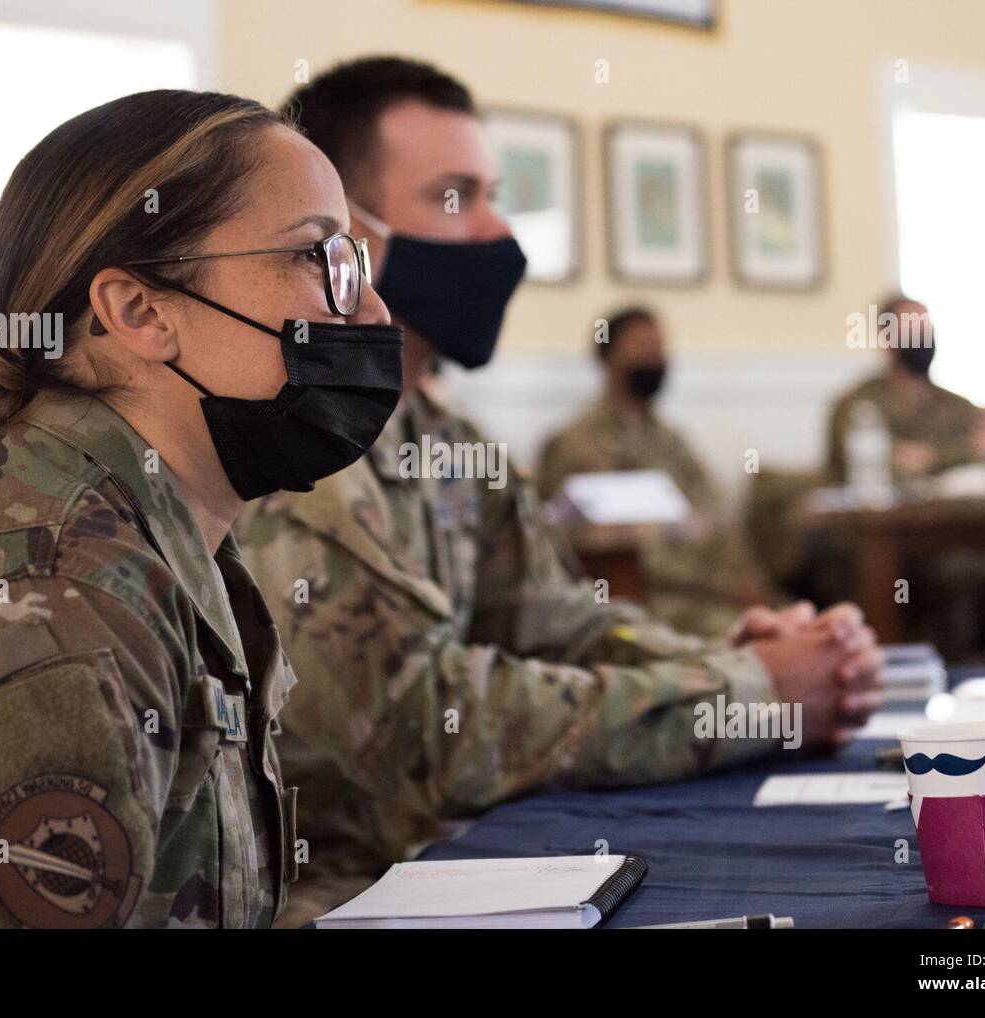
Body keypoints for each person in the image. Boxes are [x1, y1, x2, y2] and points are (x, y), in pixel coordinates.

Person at [236, 56, 884, 927]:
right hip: (345, 894)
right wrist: (745, 692)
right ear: (348, 233)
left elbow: (558, 621)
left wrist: (739, 651)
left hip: (476, 861)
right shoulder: (303, 445)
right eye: (458, 196)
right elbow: (429, 727)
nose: (499, 231)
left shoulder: (448, 439)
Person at [0, 89, 402, 928]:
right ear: (139, 311)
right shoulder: (41, 598)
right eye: (317, 258)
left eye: (356, 265)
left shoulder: (142, 534)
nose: (369, 311)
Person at [538, 306, 775, 637]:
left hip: (711, 591)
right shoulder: (576, 444)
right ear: (608, 357)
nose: (655, 357)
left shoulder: (671, 442)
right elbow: (581, 546)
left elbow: (714, 517)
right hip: (647, 600)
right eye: (642, 346)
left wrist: (746, 582)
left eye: (660, 348)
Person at [826, 295, 985, 483]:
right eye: (912, 329)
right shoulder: (859, 403)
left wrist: (931, 457)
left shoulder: (956, 406)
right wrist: (955, 453)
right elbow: (869, 462)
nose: (922, 338)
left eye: (926, 329)